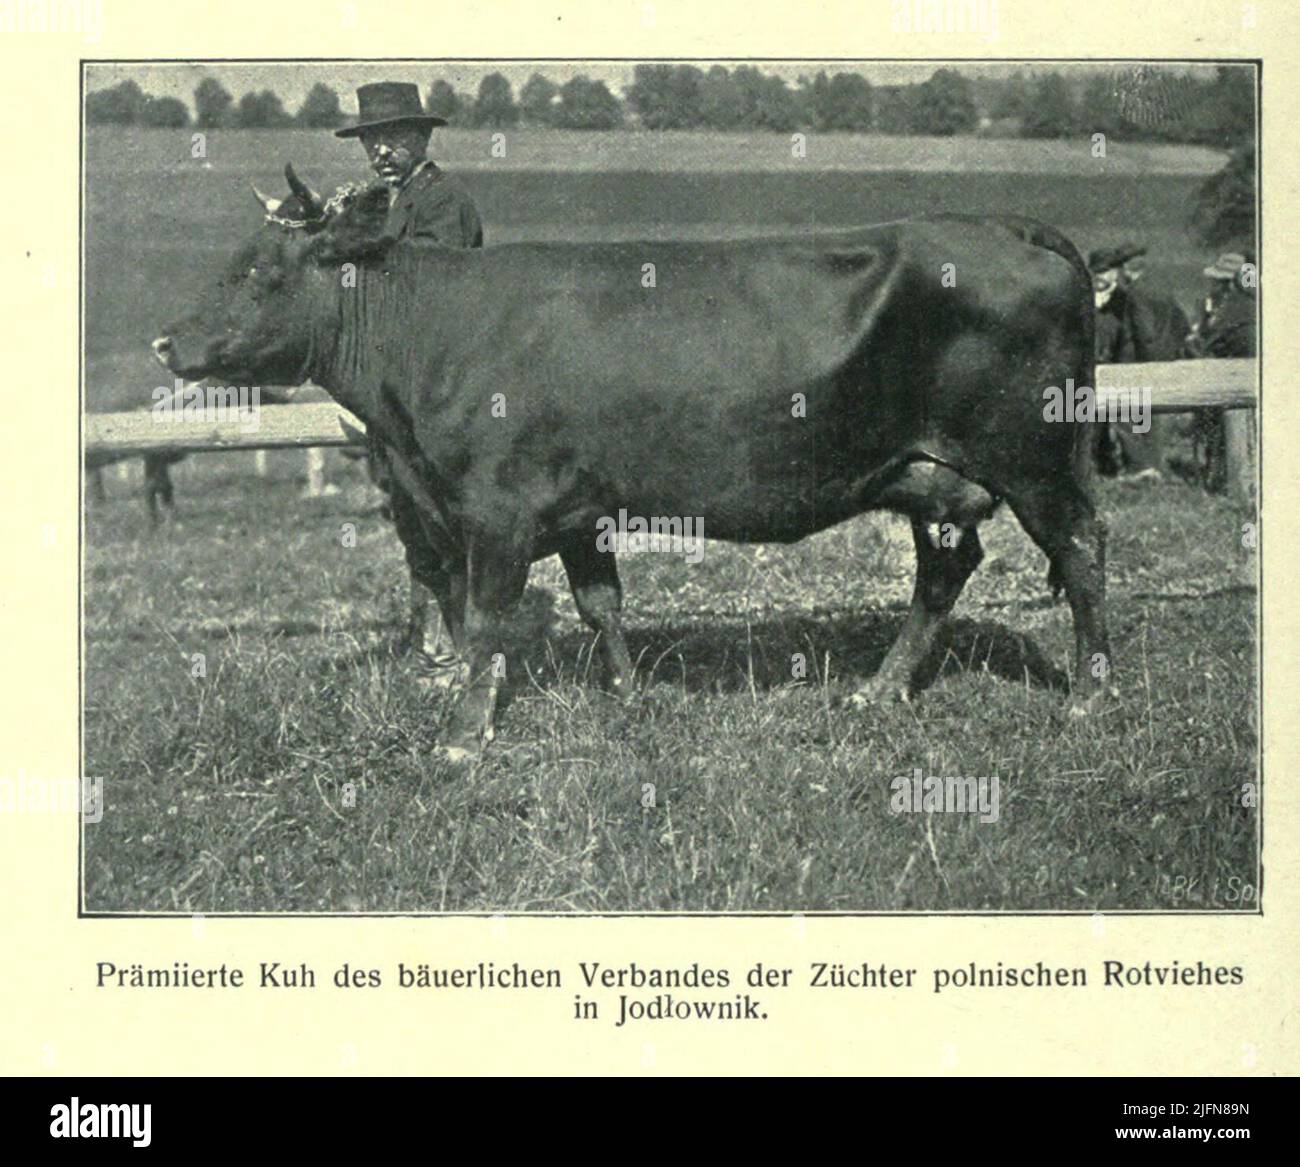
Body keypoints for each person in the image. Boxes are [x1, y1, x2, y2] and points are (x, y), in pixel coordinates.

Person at [336, 82, 484, 685]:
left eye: (393, 138)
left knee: (446, 521)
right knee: (414, 522)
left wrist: (360, 244)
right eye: (372, 141)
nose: (381, 152)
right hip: (400, 388)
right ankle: (439, 650)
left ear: (421, 137)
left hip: (442, 387)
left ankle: (459, 653)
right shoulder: (389, 200)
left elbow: (421, 283)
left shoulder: (444, 200)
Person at [1089, 242, 1191, 480]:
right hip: (1128, 363)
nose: (1103, 276)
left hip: (1131, 365)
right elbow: (1180, 324)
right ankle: (1141, 464)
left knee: (1128, 417)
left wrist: (1149, 364)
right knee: (1135, 418)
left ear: (1120, 270)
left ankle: (1141, 466)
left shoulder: (1131, 295)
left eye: (1109, 270)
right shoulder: (1155, 288)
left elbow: (1144, 333)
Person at [1185, 251, 1257, 491]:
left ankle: (1223, 479)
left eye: (1218, 281)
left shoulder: (1234, 308)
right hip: (1236, 372)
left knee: (1222, 432)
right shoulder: (1239, 304)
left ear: (1229, 284)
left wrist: (1199, 332)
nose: (1213, 285)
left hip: (1231, 377)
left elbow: (1207, 343)